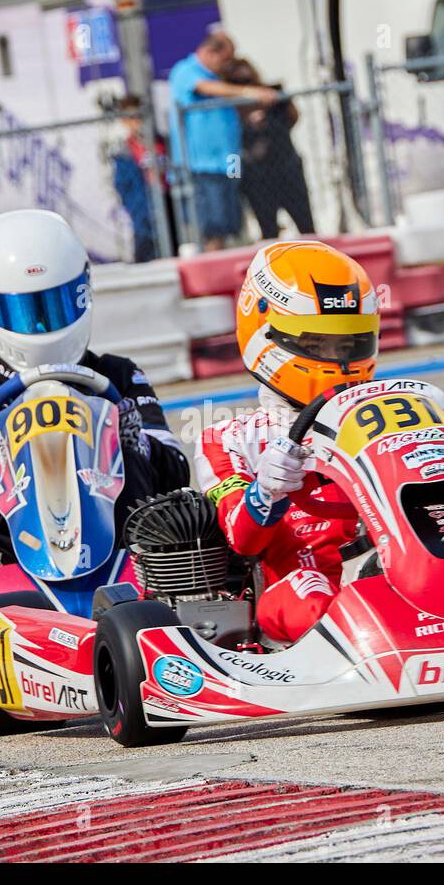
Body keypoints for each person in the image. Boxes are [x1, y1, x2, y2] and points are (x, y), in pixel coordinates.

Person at [0, 209, 190, 604]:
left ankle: (166, 584)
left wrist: (133, 443)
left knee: (194, 508)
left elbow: (176, 478)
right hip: (14, 555)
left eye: (55, 306)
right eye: (27, 312)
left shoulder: (120, 377)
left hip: (121, 549)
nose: (43, 328)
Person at [194, 240, 379, 645]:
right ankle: (359, 637)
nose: (339, 359)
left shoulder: (388, 412)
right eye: (319, 345)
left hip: (385, 568)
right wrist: (266, 492)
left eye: (348, 344)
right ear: (266, 333)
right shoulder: (228, 438)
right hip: (295, 585)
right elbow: (242, 540)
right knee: (312, 592)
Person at [168, 31, 278, 252]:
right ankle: (213, 271)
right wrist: (249, 92)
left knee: (234, 217)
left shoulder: (218, 78)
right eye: (225, 59)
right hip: (204, 165)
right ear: (210, 52)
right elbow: (205, 88)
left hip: (230, 160)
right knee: (213, 224)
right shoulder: (186, 71)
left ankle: (234, 255)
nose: (227, 65)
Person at [222, 57, 315, 241]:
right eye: (238, 83)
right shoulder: (229, 110)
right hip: (256, 175)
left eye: (248, 81)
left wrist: (271, 106)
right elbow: (232, 154)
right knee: (269, 229)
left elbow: (293, 118)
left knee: (306, 224)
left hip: (286, 167)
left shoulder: (271, 95)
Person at [108, 95, 170, 263]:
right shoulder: (124, 151)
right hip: (143, 203)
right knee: (145, 240)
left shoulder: (160, 142)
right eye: (130, 118)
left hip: (165, 197)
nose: (136, 122)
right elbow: (123, 184)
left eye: (139, 117)